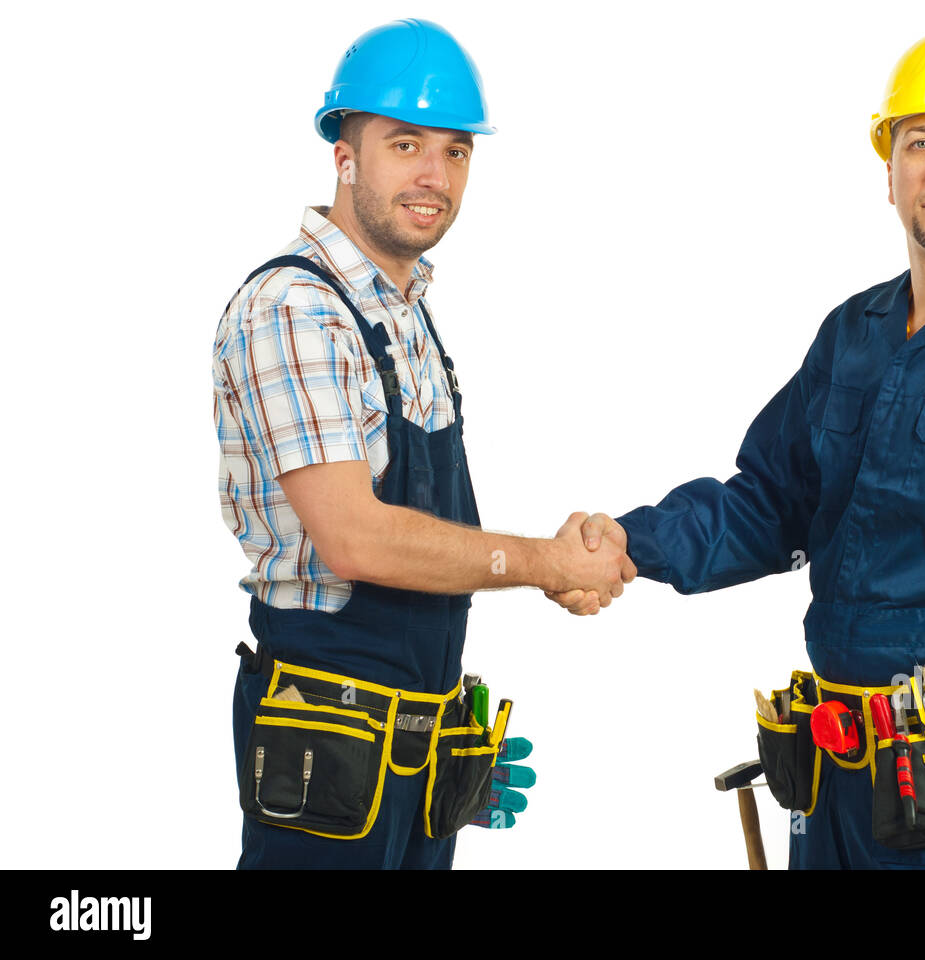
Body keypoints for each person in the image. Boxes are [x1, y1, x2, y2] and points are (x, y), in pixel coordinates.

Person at [559, 25, 925, 869]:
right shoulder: (855, 333)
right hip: (831, 784)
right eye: (921, 143)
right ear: (889, 172)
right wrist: (630, 542)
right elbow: (771, 503)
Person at [212, 18, 634, 869]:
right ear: (344, 151)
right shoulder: (295, 310)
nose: (434, 176)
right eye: (405, 144)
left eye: (455, 151)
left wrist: (435, 721)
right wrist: (551, 564)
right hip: (323, 742)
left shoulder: (403, 317)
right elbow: (355, 538)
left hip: (411, 739)